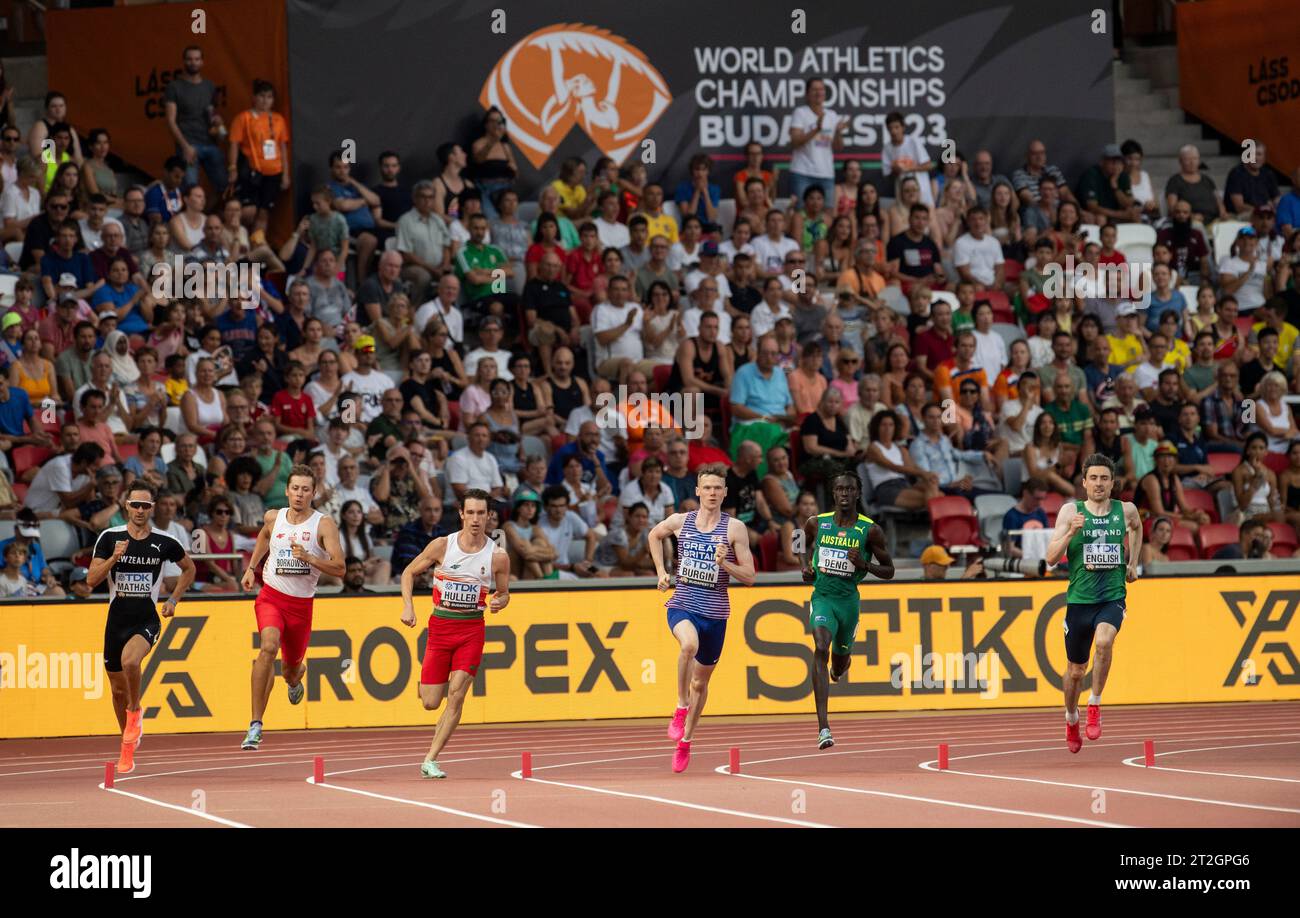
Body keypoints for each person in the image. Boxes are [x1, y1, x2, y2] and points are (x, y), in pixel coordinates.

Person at [647, 464, 756, 773]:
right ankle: (680, 708)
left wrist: (726, 564)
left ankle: (687, 740)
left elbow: (749, 577)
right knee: (687, 647)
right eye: (706, 487)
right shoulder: (681, 521)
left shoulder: (734, 529)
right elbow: (654, 535)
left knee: (701, 683)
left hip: (716, 614)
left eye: (717, 488)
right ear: (697, 491)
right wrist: (661, 572)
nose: (711, 493)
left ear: (724, 492)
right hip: (682, 603)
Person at [399, 488, 510, 779]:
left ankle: (430, 759)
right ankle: (423, 682)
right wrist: (408, 607)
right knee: (430, 702)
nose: (475, 519)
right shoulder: (442, 546)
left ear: (489, 516)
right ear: (461, 514)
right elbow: (408, 573)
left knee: (457, 694)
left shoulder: (497, 556)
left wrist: (500, 601)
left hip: (472, 630)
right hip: (440, 628)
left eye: (481, 513)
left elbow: (504, 593)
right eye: (470, 512)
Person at [86, 480, 196, 774]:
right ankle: (126, 747)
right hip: (116, 620)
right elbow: (90, 580)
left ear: (152, 508)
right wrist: (113, 559)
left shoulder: (164, 541)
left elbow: (190, 568)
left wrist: (173, 599)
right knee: (116, 690)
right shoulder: (109, 538)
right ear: (126, 505)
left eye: (145, 506)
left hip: (146, 618)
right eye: (135, 504)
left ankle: (136, 711)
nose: (140, 510)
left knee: (130, 661)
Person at [238, 466, 346, 750]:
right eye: (295, 488)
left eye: (305, 489)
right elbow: (263, 537)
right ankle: (255, 724)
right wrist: (251, 568)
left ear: (313, 493)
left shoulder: (323, 525)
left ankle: (295, 678)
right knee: (268, 647)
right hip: (271, 597)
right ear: (287, 490)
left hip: (300, 607)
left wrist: (311, 558)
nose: (299, 494)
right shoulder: (274, 517)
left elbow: (340, 568)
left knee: (289, 670)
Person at [1044, 454, 1142, 753]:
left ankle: (1095, 704)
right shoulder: (1069, 512)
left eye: (1105, 478)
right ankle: (1071, 718)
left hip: (1111, 596)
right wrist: (1072, 532)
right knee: (1075, 671)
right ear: (1084, 482)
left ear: (1113, 483)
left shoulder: (1125, 510)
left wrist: (1132, 563)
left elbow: (1136, 528)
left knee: (1104, 642)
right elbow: (1050, 559)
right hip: (1079, 601)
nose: (1099, 483)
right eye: (1094, 478)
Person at [801, 472, 894, 749]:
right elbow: (800, 542)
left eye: (849, 489)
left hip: (848, 602)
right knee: (821, 645)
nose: (844, 493)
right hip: (823, 597)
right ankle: (823, 727)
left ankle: (840, 669)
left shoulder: (870, 530)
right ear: (833, 493)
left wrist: (865, 565)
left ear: (858, 493)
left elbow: (889, 571)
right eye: (839, 489)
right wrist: (805, 567)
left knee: (839, 661)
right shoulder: (816, 523)